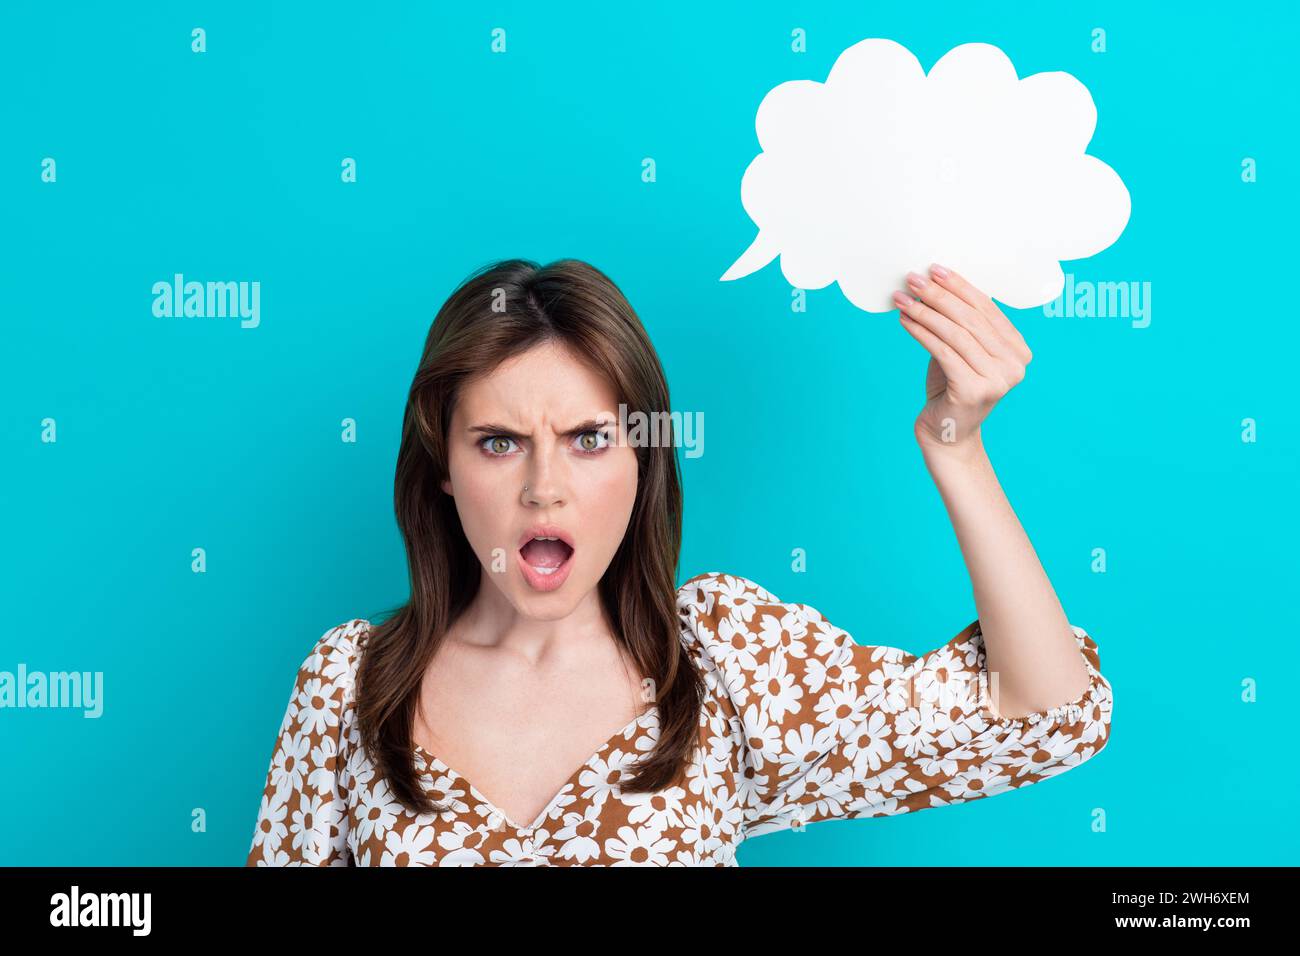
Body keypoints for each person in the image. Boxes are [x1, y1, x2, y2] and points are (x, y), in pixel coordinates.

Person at [246, 258, 1113, 866]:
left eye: (589, 439)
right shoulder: (349, 687)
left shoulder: (727, 657)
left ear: (643, 459)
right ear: (443, 466)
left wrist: (956, 446)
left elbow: (1047, 714)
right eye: (500, 441)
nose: (544, 490)